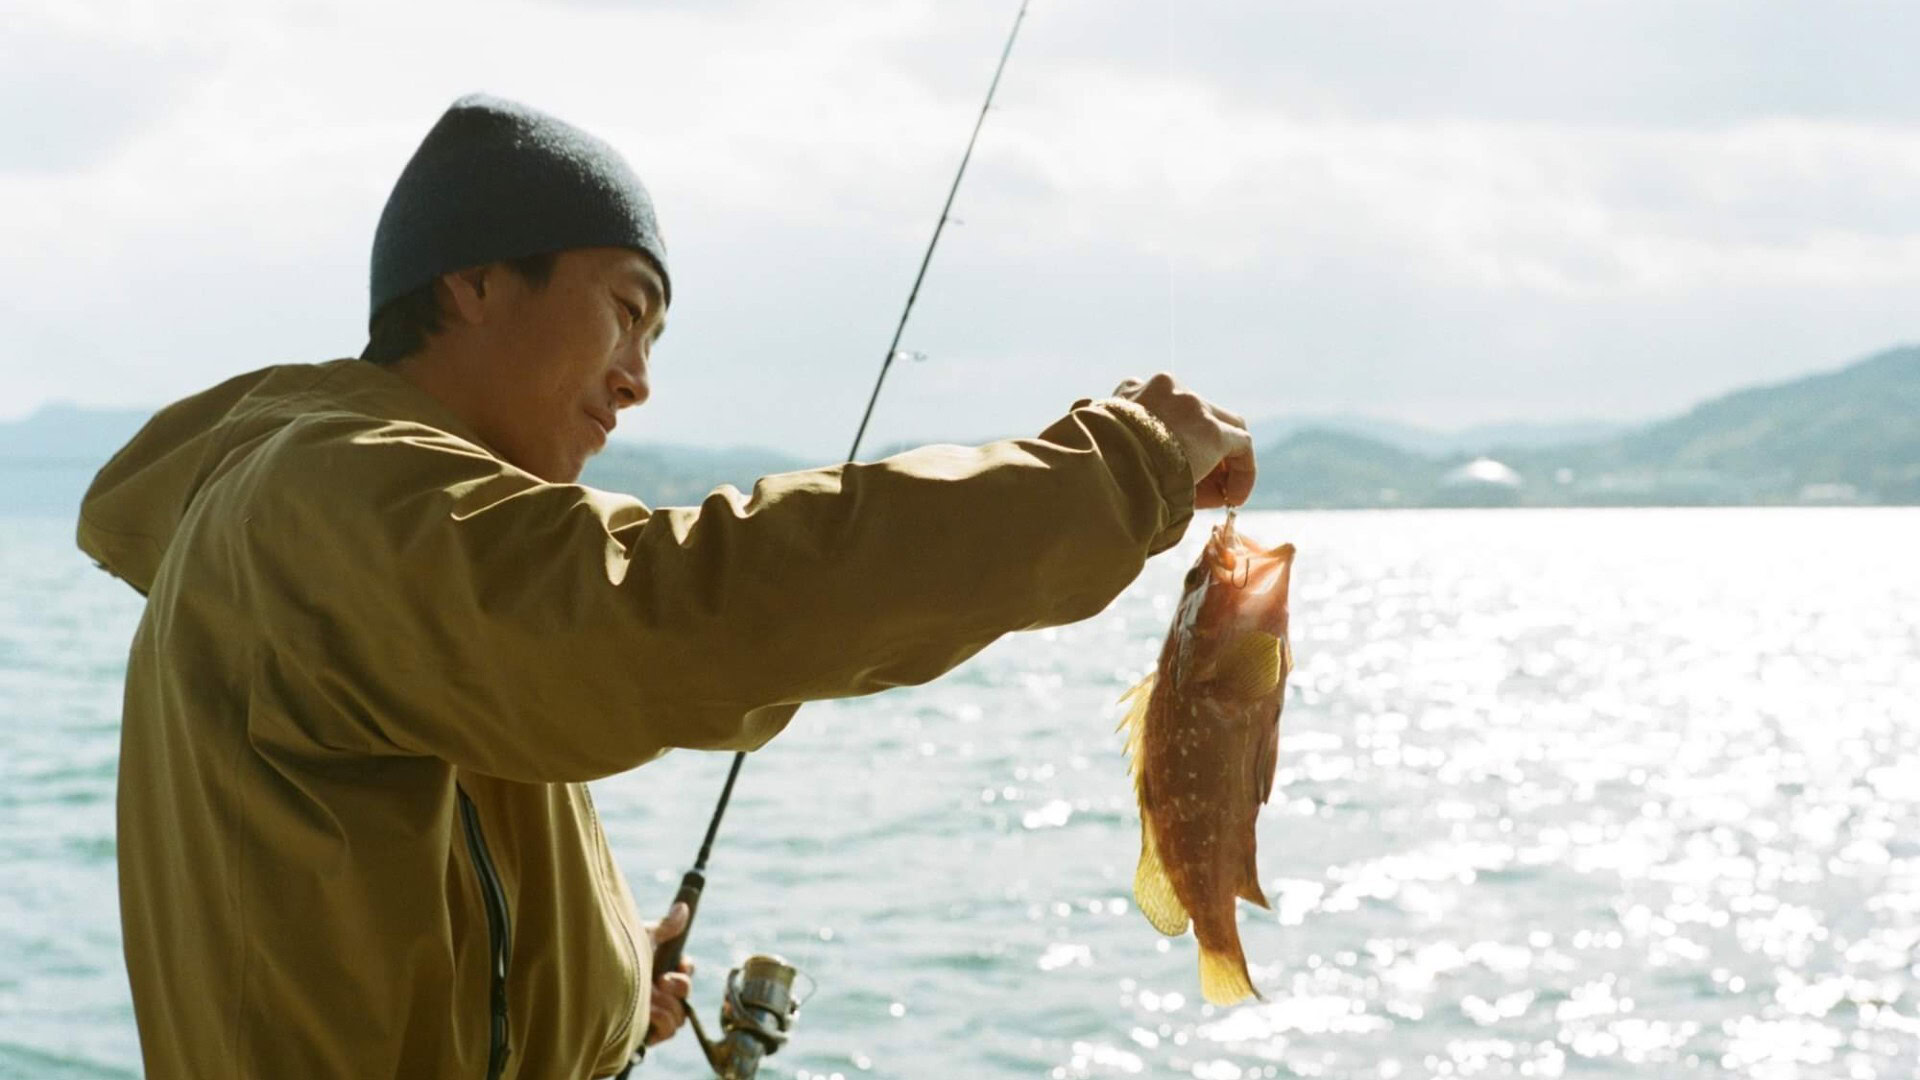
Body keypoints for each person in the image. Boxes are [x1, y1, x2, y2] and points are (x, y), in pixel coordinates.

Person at [76, 93, 1257, 1079]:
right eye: (627, 311)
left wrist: (604, 975)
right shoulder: (328, 499)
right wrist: (1116, 467)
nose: (637, 381)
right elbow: (676, 612)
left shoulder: (393, 526)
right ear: (475, 280)